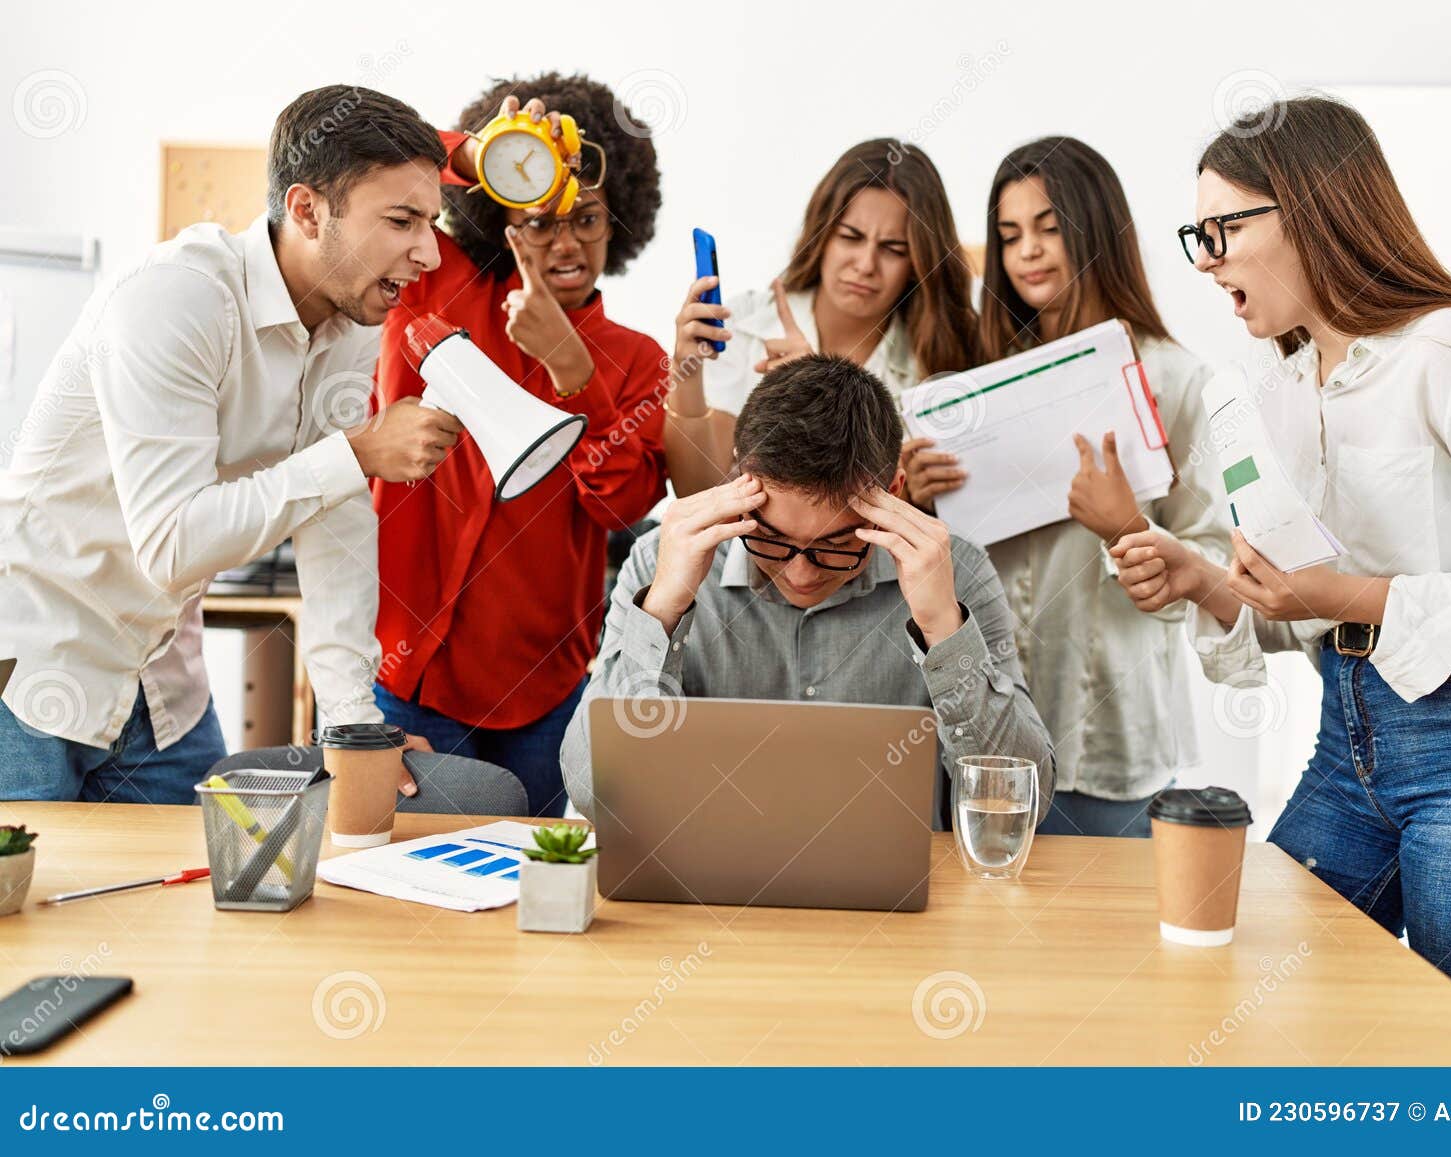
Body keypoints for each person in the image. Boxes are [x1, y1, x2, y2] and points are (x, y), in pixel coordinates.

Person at [1111, 95, 1451, 1060]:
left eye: (1223, 228)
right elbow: (1307, 610)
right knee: (1279, 1015)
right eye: (1195, 234)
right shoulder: (1283, 390)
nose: (1204, 259)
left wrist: (1349, 598)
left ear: (1312, 209)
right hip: (1355, 736)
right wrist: (1208, 580)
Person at [0, 85, 460, 803]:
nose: (428, 251)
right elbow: (173, 541)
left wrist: (353, 724)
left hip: (161, 679)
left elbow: (332, 514)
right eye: (402, 220)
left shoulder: (351, 321)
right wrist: (359, 453)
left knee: (200, 901)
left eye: (430, 221)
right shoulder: (176, 299)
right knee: (27, 912)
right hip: (34, 669)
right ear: (307, 210)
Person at [561, 354, 1053, 824]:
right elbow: (593, 793)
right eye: (772, 540)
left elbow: (1021, 803)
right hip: (705, 895)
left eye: (835, 546)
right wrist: (663, 612)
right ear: (738, 480)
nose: (799, 574)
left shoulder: (956, 571)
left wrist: (944, 630)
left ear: (894, 491)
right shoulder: (659, 562)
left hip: (900, 902)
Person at [905, 138, 1230, 838]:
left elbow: (1215, 562)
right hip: (982, 736)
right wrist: (919, 502)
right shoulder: (973, 389)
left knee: (1104, 943)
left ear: (1095, 229)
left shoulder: (1174, 379)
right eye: (1010, 234)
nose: (1027, 251)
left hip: (1109, 740)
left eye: (1049, 227)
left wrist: (1127, 530)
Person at [369, 74, 668, 816]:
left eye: (588, 220)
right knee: (404, 898)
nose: (565, 242)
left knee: (528, 895)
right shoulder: (434, 281)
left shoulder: (637, 359)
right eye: (538, 220)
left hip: (547, 690)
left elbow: (620, 503)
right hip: (408, 675)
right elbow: (374, 170)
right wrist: (481, 154)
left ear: (618, 225)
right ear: (503, 219)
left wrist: (573, 367)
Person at [662, 139, 980, 497]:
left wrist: (911, 496)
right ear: (822, 234)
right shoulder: (748, 323)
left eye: (892, 249)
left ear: (917, 262)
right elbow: (699, 491)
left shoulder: (937, 358)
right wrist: (685, 372)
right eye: (850, 237)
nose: (865, 265)